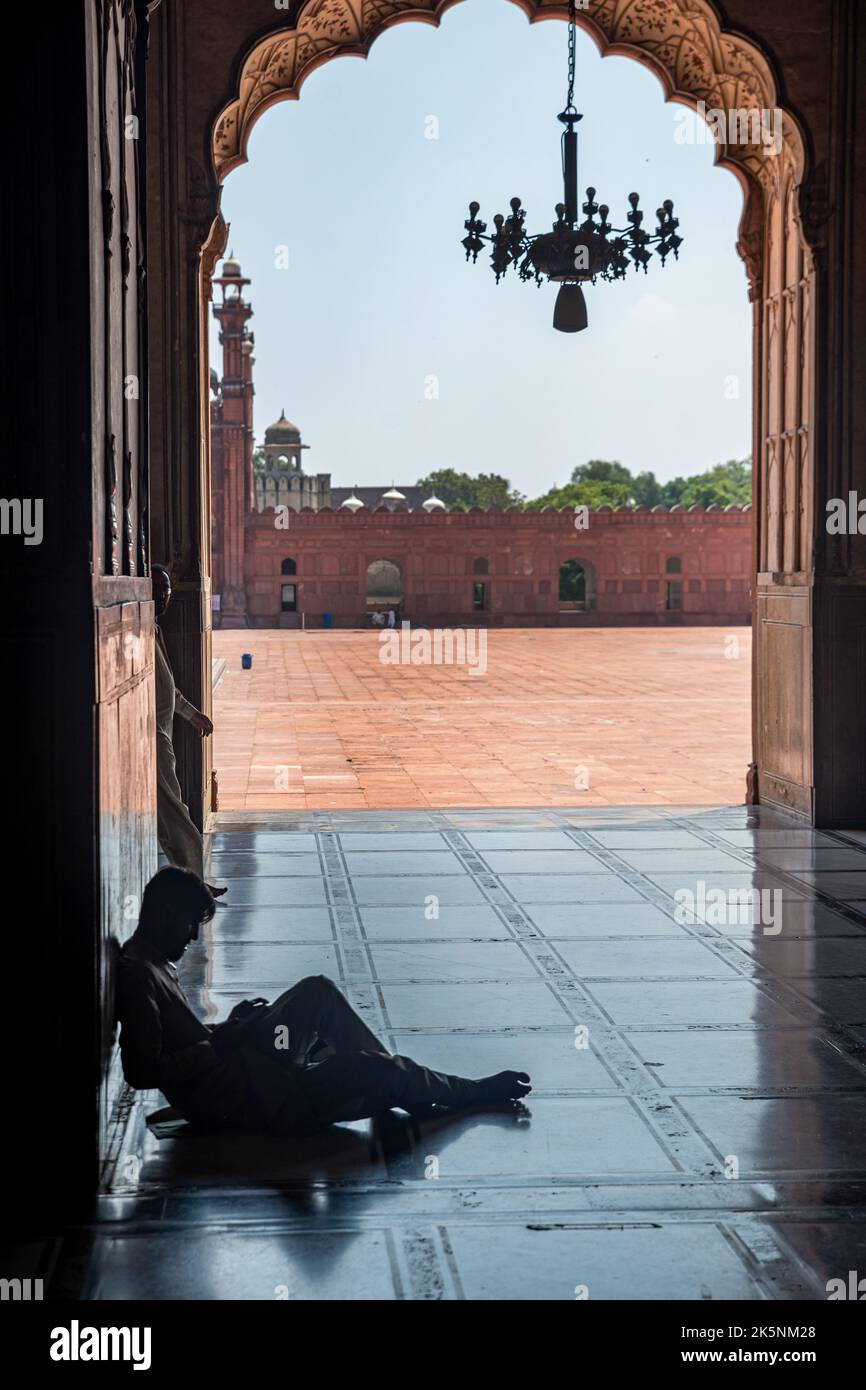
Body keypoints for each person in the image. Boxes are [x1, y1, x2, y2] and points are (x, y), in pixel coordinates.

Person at [116, 867, 532, 1135]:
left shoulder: (149, 958)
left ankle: (403, 1085)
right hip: (250, 1099)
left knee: (315, 992)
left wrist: (227, 1029)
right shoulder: (140, 975)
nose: (192, 938)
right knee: (368, 1067)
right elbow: (142, 1070)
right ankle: (461, 1090)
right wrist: (219, 1042)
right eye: (190, 925)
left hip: (242, 1066)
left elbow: (180, 1040)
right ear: (168, 915)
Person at [152, 565, 225, 898]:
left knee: (169, 817)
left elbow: (168, 687)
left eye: (166, 590)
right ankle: (194, 886)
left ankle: (190, 883)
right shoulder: (138, 630)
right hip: (149, 738)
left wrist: (192, 714)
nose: (164, 596)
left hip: (161, 734)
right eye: (158, 589)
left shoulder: (152, 629)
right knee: (177, 817)